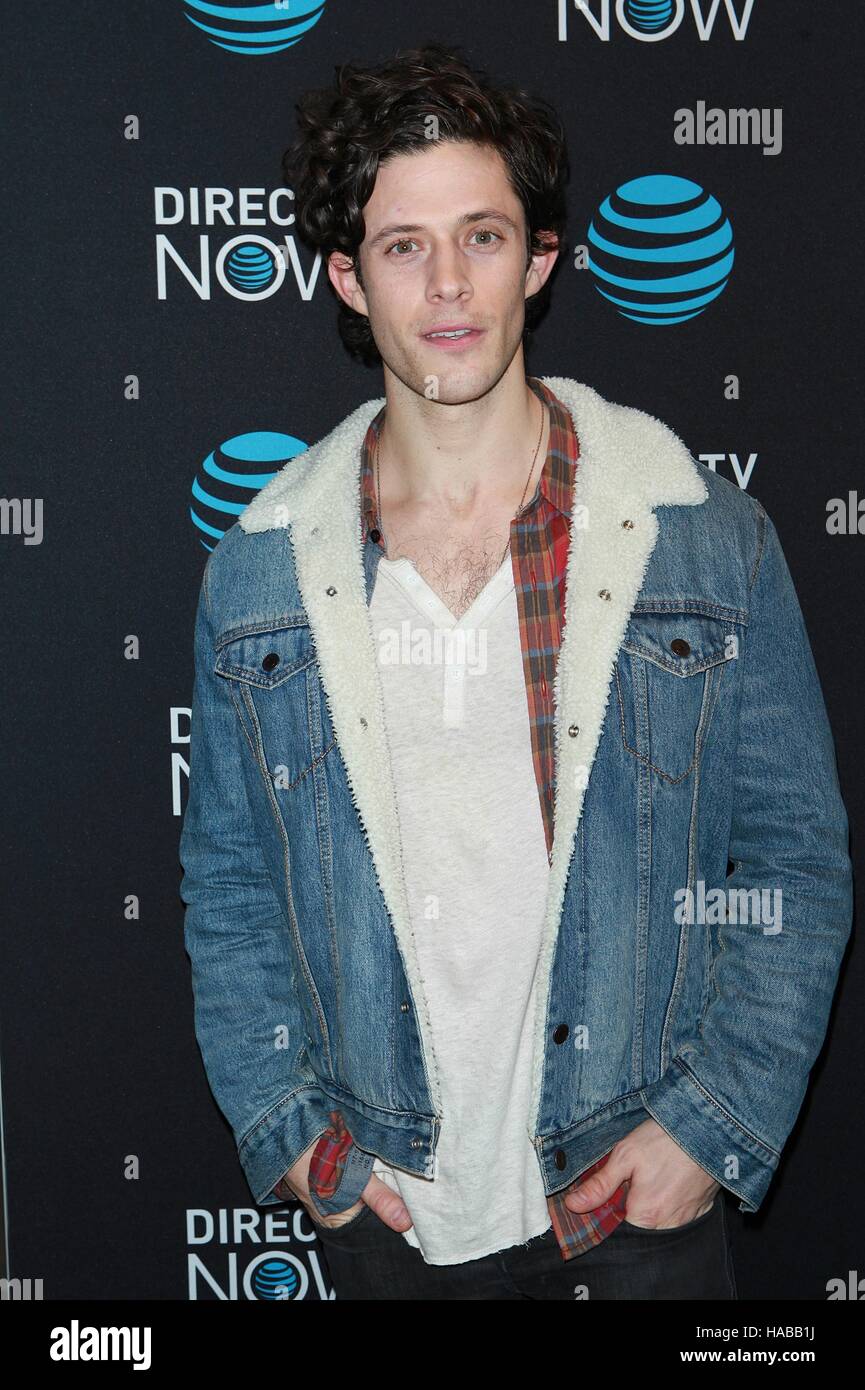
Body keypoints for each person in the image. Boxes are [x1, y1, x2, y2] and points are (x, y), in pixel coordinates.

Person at [178, 43, 853, 1300]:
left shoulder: (698, 537)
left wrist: (713, 1120)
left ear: (540, 258)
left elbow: (790, 866)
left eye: (481, 237)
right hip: (392, 1207)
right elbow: (229, 887)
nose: (446, 286)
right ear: (345, 276)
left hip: (630, 1199)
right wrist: (290, 1130)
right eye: (401, 245)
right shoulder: (261, 572)